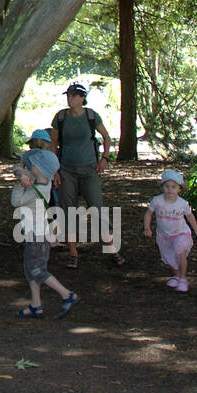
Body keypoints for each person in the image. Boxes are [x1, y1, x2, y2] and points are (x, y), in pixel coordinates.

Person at [51, 82, 122, 267]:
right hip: (66, 170)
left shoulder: (91, 116)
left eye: (74, 95)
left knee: (97, 208)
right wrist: (55, 171)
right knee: (68, 211)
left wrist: (105, 158)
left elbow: (106, 137)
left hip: (89, 169)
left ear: (82, 98)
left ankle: (112, 250)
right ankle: (73, 253)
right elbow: (53, 145)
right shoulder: (60, 117)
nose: (70, 98)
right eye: (68, 95)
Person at [10, 136, 79, 318]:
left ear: (39, 169)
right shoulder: (43, 181)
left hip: (37, 236)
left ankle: (67, 294)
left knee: (37, 270)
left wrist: (19, 185)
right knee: (29, 268)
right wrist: (21, 175)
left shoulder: (35, 190)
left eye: (32, 165)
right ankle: (36, 304)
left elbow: (16, 202)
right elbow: (18, 168)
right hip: (38, 234)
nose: (29, 167)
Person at [142, 169, 197, 292]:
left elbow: (190, 216)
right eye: (167, 186)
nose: (170, 189)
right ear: (162, 187)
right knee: (168, 257)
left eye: (173, 187)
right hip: (164, 235)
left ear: (179, 189)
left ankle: (183, 278)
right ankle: (176, 275)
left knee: (179, 252)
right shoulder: (157, 200)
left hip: (180, 233)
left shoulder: (182, 203)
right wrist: (147, 228)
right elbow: (148, 214)